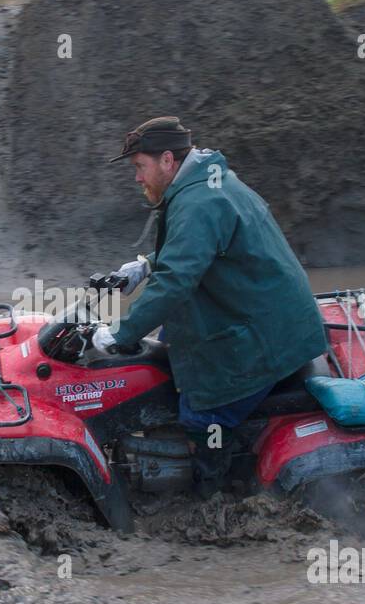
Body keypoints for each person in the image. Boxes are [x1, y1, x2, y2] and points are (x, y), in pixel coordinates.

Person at [92, 116, 328, 497]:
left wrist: (117, 334)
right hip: (260, 316)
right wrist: (147, 265)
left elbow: (176, 282)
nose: (137, 178)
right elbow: (197, 250)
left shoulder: (198, 199)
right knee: (162, 353)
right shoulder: (206, 182)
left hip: (262, 337)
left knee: (202, 415)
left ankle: (209, 499)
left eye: (140, 167)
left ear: (167, 160)